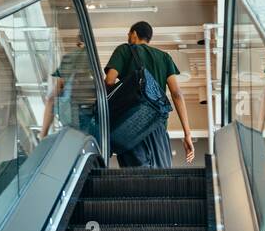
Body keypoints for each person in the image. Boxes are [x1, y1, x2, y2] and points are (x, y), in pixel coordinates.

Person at [104, 21, 194, 167]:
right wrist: (187, 134)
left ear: (134, 34)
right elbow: (177, 94)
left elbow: (109, 81)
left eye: (129, 34)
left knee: (135, 180)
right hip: (157, 127)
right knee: (162, 181)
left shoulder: (124, 50)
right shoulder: (165, 57)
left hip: (130, 126)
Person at [40, 38, 97, 138]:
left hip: (71, 114)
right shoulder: (92, 58)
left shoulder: (69, 58)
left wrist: (43, 134)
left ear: (78, 42)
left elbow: (53, 96)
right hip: (89, 115)